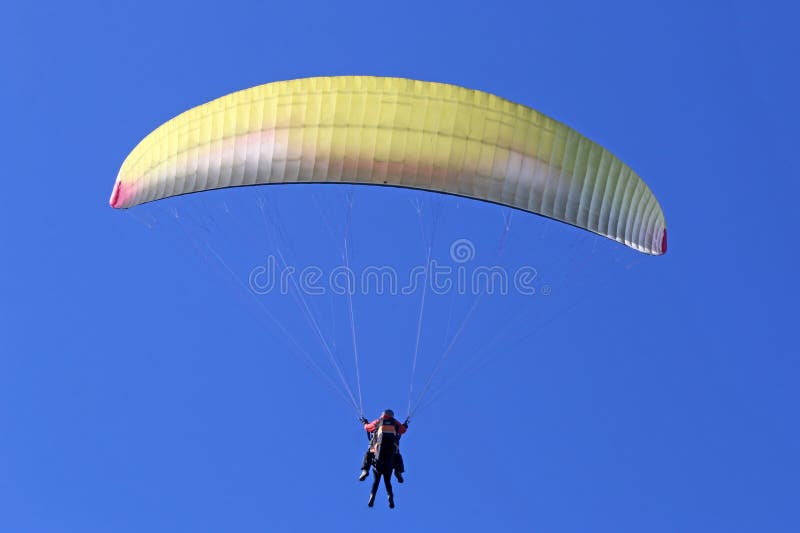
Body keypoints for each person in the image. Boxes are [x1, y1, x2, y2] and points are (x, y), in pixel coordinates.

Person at [358, 409, 408, 508]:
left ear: (382, 415)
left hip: (377, 452)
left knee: (368, 455)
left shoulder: (378, 422)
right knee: (397, 459)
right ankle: (398, 472)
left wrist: (364, 422)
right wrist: (405, 424)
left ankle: (365, 470)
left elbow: (367, 428)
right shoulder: (395, 423)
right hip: (391, 454)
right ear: (392, 415)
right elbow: (403, 430)